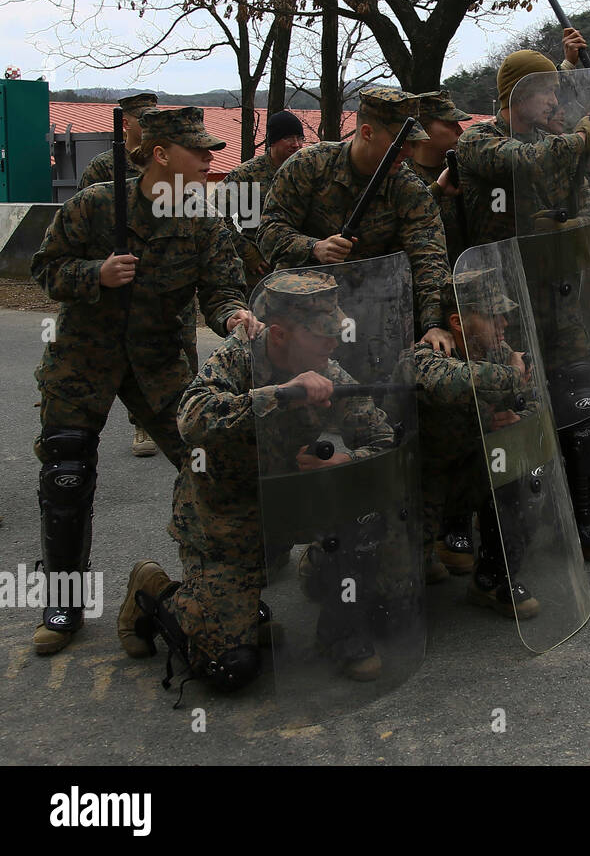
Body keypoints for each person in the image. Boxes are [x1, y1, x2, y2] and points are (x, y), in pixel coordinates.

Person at [30, 106, 254, 655]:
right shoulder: (97, 205)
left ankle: (217, 589)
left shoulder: (205, 219)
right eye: (197, 150)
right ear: (159, 154)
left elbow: (222, 291)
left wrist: (234, 318)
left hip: (157, 360)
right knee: (66, 471)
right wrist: (95, 274)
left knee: (209, 460)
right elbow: (46, 269)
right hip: (85, 355)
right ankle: (64, 603)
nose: (209, 158)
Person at [117, 270, 406, 689]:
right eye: (322, 334)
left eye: (335, 331)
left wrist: (345, 459)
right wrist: (281, 393)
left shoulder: (329, 372)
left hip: (288, 505)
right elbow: (192, 417)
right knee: (229, 667)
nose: (334, 343)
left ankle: (339, 626)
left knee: (365, 513)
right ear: (281, 334)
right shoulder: (238, 357)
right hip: (225, 519)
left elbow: (383, 440)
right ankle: (155, 592)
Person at [455, 39, 590, 566]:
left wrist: (574, 74)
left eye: (557, 90)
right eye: (546, 90)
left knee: (578, 396)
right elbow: (527, 163)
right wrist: (580, 134)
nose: (555, 100)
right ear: (519, 93)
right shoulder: (479, 142)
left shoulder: (551, 133)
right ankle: (503, 532)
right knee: (513, 406)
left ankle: (582, 520)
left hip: (558, 295)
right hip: (504, 305)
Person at [257, 87, 454, 354]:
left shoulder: (409, 190)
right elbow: (269, 230)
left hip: (372, 320)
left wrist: (433, 323)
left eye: (413, 141)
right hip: (302, 321)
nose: (409, 151)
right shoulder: (309, 166)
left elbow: (429, 257)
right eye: (400, 141)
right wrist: (314, 247)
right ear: (367, 133)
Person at [408, 275, 536, 615]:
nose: (504, 323)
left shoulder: (499, 352)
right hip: (421, 487)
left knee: (514, 471)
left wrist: (518, 416)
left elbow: (536, 397)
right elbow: (451, 381)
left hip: (469, 476)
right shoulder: (428, 354)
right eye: (494, 316)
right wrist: (513, 376)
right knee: (393, 603)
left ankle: (493, 579)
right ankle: (322, 563)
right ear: (457, 321)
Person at [77, 91, 168, 457]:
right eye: (143, 119)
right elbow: (83, 221)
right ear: (126, 123)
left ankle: (176, 420)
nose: (149, 125)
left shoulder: (164, 162)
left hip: (161, 270)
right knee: (124, 351)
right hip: (120, 271)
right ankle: (141, 426)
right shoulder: (104, 167)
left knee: (168, 350)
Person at [220, 109, 306, 290]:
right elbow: (217, 216)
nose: (296, 144)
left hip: (297, 268)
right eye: (289, 138)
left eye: (300, 138)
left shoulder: (306, 172)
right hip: (259, 270)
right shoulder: (246, 174)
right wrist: (247, 253)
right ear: (273, 141)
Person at [405, 90, 473, 265]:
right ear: (422, 130)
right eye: (449, 124)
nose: (459, 130)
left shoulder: (464, 170)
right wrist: (437, 189)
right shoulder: (400, 176)